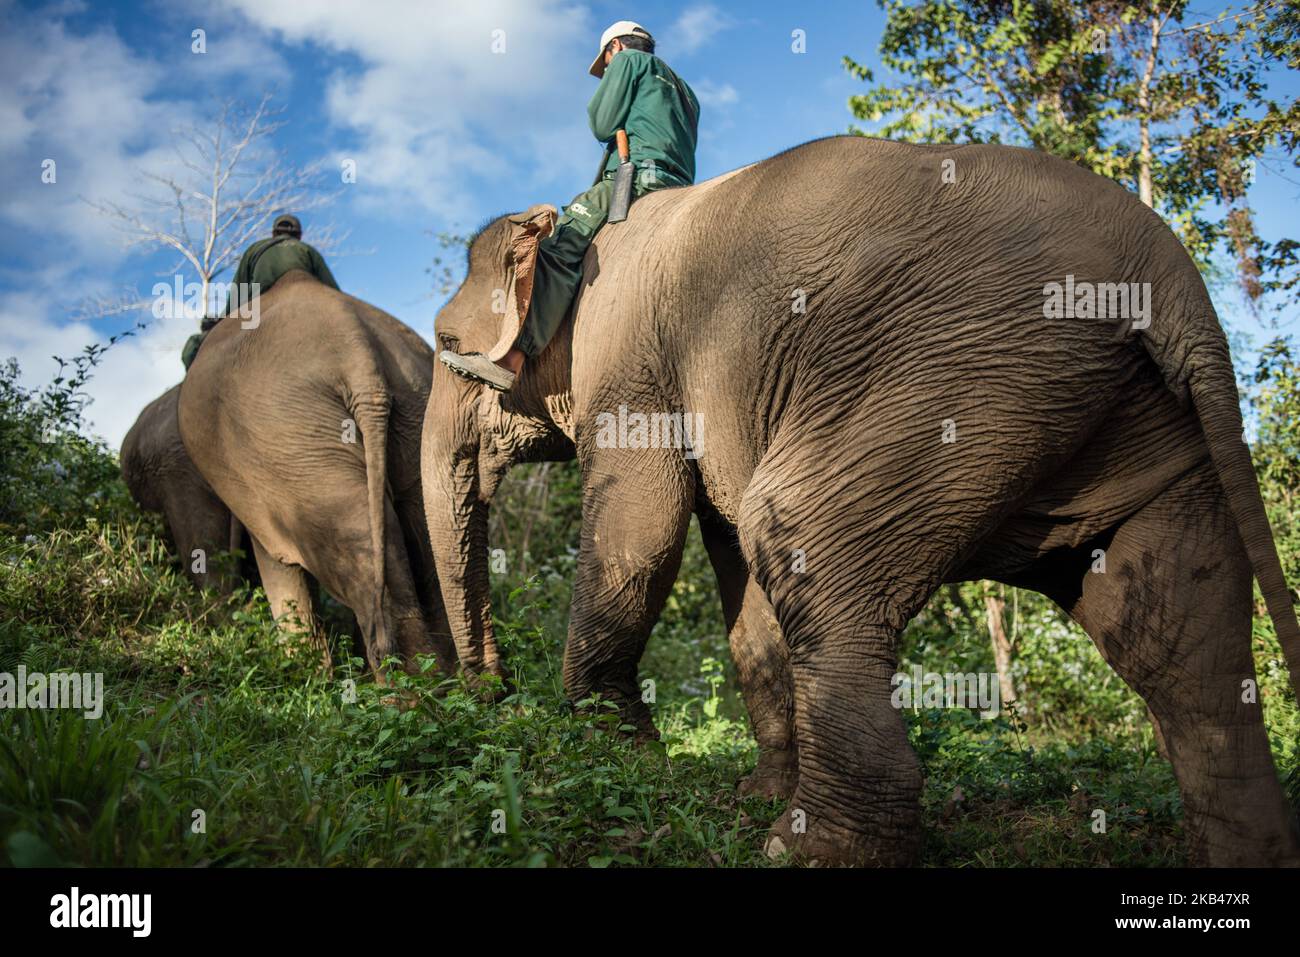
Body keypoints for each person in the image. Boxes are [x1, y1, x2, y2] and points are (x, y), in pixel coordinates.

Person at [439, 20, 699, 392]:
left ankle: (511, 359)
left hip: (638, 176)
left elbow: (602, 122)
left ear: (617, 49)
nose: (606, 71)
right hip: (678, 182)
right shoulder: (687, 91)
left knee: (562, 244)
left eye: (605, 64)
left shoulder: (628, 63)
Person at [181, 214, 339, 369]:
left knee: (196, 346)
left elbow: (238, 295)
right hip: (308, 304)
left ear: (273, 233)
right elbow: (333, 292)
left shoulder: (255, 249)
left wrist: (219, 322)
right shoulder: (308, 250)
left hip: (258, 310)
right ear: (299, 235)